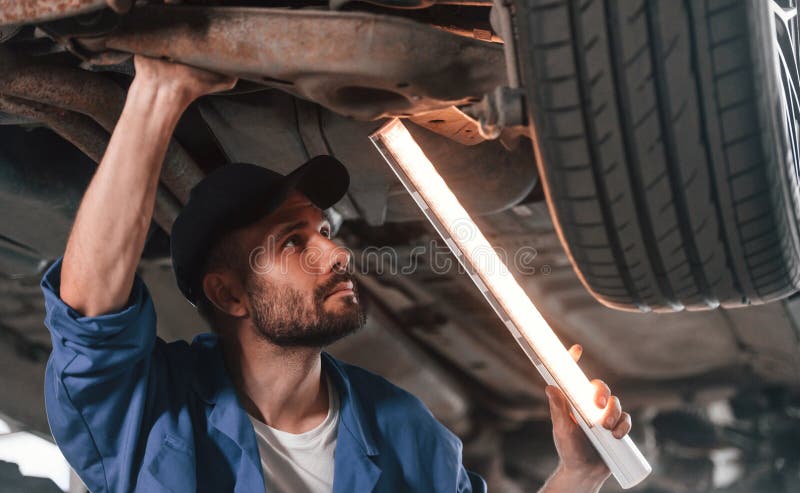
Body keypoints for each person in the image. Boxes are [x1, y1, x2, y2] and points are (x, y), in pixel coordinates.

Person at [41, 55, 632, 493]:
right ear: (230, 293)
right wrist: (157, 92)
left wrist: (578, 474)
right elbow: (88, 313)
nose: (336, 253)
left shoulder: (405, 431)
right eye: (293, 242)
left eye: (324, 230)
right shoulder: (152, 412)